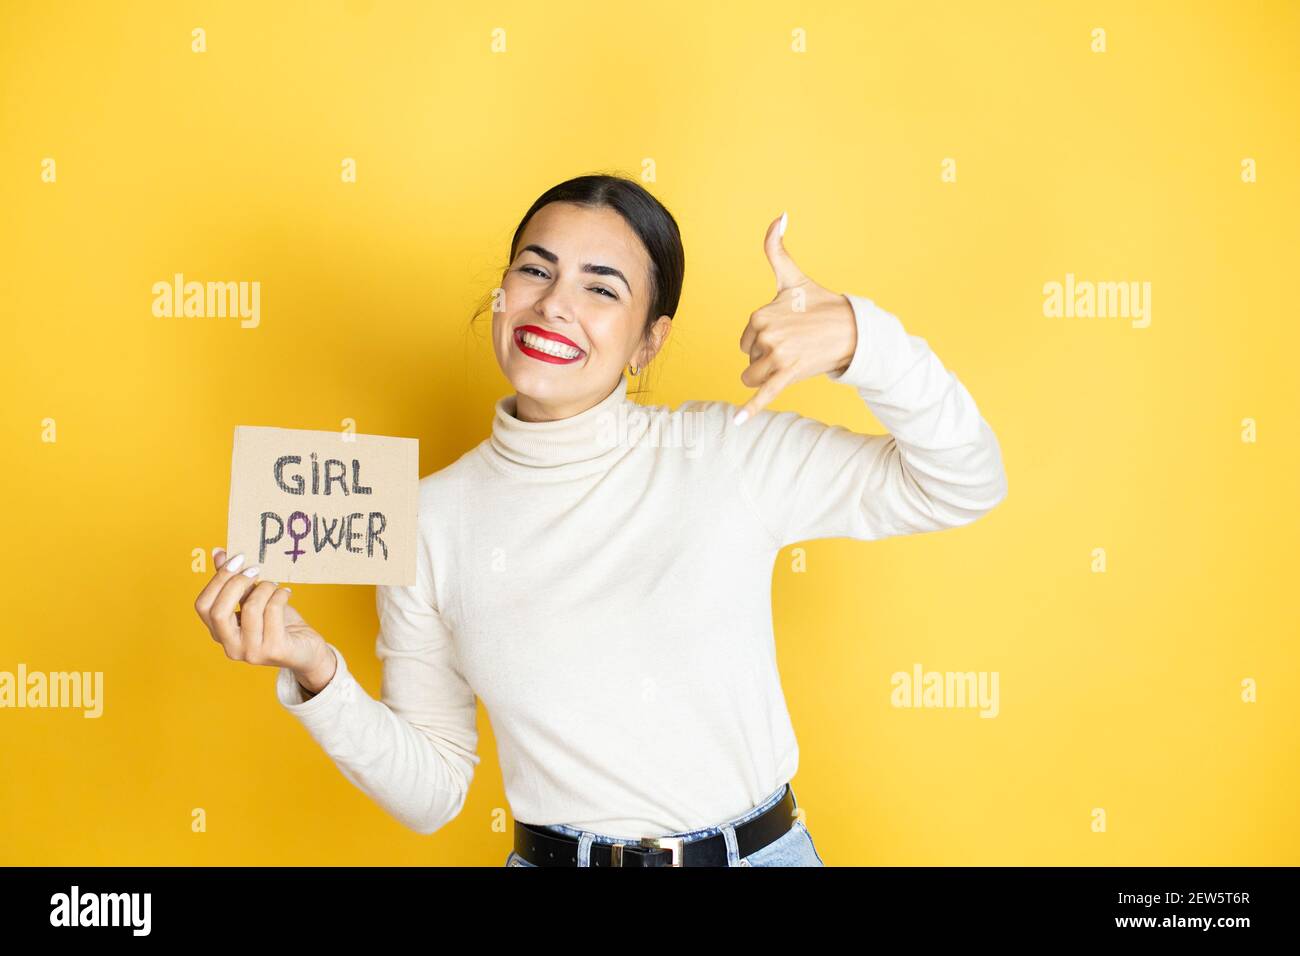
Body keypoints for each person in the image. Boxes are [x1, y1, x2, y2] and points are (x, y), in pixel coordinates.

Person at [193, 173, 1008, 866]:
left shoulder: (727, 453)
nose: (553, 306)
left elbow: (962, 482)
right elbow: (434, 789)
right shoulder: (427, 520)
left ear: (649, 342)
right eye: (534, 271)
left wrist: (866, 342)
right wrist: (316, 671)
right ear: (501, 294)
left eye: (601, 287)